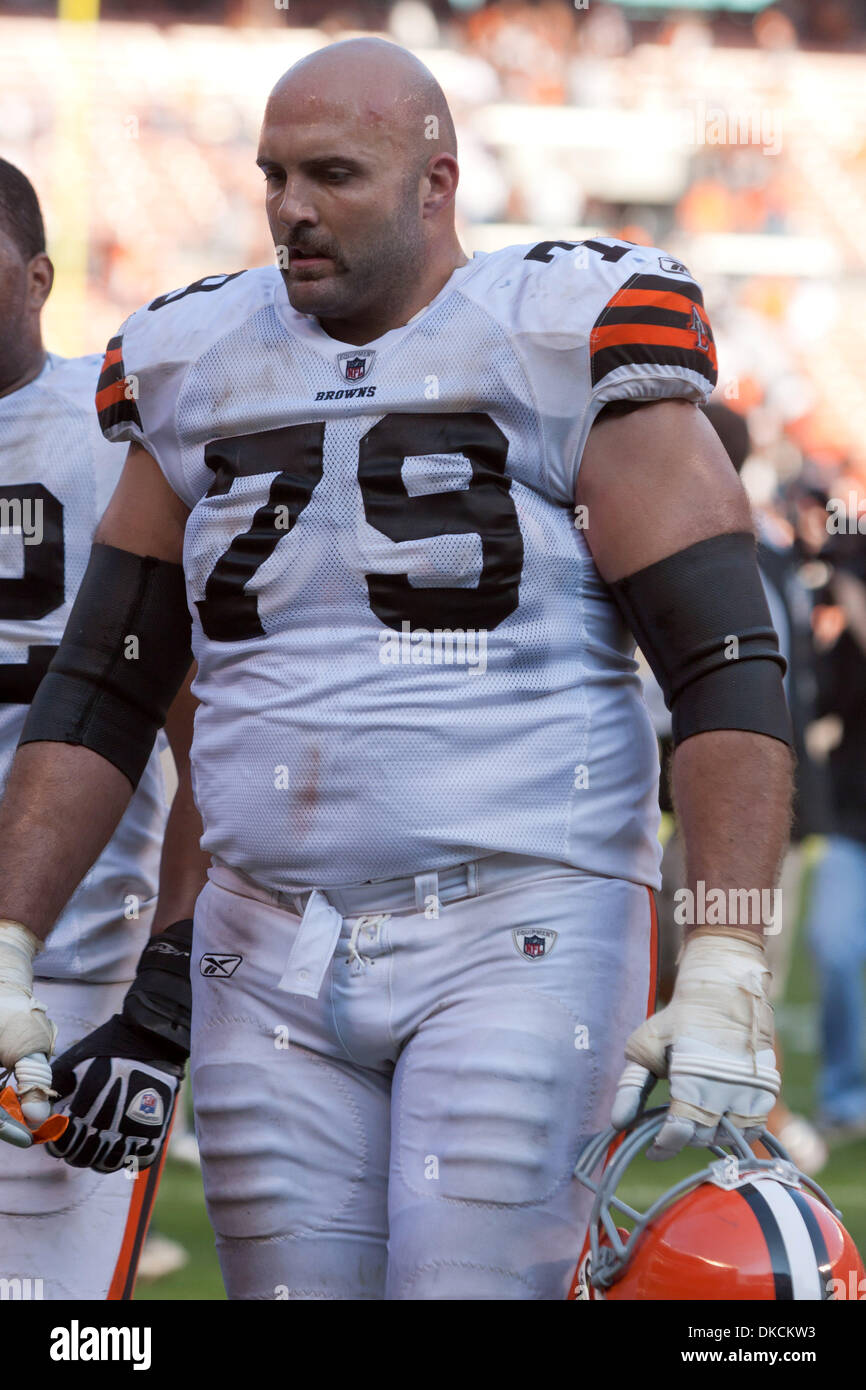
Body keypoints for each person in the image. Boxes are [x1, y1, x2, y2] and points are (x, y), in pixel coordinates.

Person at [0, 40, 792, 1300]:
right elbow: (104, 684)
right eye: (272, 176)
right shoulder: (188, 357)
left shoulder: (561, 332)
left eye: (333, 174)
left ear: (436, 181)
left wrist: (729, 960)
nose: (292, 208)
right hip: (266, 934)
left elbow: (726, 665)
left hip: (520, 922)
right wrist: (9, 935)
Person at [0, 158, 207, 1299]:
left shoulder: (115, 442)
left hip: (62, 985)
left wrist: (156, 1001)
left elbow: (206, 738)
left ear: (37, 277)